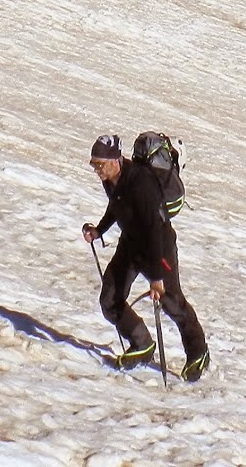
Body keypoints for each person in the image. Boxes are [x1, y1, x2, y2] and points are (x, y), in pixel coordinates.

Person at [83, 133, 209, 380]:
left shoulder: (140, 184)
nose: (96, 169)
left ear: (116, 160)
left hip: (158, 246)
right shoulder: (112, 179)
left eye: (99, 164)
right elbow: (117, 205)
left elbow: (153, 230)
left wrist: (156, 277)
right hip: (131, 243)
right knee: (110, 299)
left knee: (172, 302)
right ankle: (142, 345)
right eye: (93, 164)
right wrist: (100, 229)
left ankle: (198, 352)